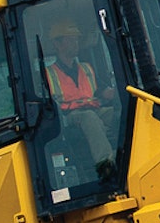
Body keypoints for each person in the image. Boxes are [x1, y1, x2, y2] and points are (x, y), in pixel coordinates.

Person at [45, 20, 118, 178]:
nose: (75, 43)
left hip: (95, 109)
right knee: (89, 118)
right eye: (70, 39)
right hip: (68, 117)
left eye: (76, 39)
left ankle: (126, 151)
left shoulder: (86, 68)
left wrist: (120, 92)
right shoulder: (49, 74)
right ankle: (106, 164)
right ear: (57, 44)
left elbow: (103, 91)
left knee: (117, 113)